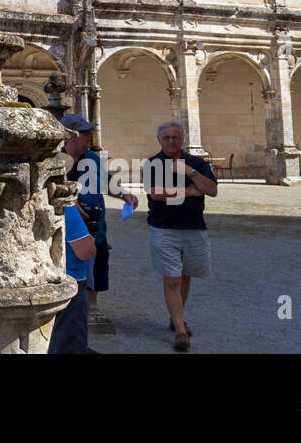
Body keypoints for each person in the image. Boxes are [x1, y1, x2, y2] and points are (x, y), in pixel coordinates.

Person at [145, 121, 217, 351]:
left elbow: (212, 190)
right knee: (173, 278)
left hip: (195, 227)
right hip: (164, 228)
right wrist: (192, 191)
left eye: (175, 137)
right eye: (167, 137)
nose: (171, 141)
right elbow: (156, 194)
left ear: (182, 139)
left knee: (185, 277)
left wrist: (190, 172)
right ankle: (180, 329)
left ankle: (175, 317)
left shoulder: (196, 163)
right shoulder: (152, 164)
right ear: (159, 140)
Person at [60, 113, 138, 320]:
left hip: (97, 226)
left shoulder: (92, 158)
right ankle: (69, 307)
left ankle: (91, 307)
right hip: (72, 229)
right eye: (85, 133)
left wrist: (125, 194)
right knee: (73, 265)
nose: (89, 137)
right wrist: (69, 199)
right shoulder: (57, 161)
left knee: (98, 263)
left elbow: (109, 182)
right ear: (71, 136)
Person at [48, 198, 96, 354]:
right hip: (73, 282)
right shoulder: (67, 209)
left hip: (51, 279)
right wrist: (92, 242)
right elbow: (85, 251)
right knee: (70, 343)